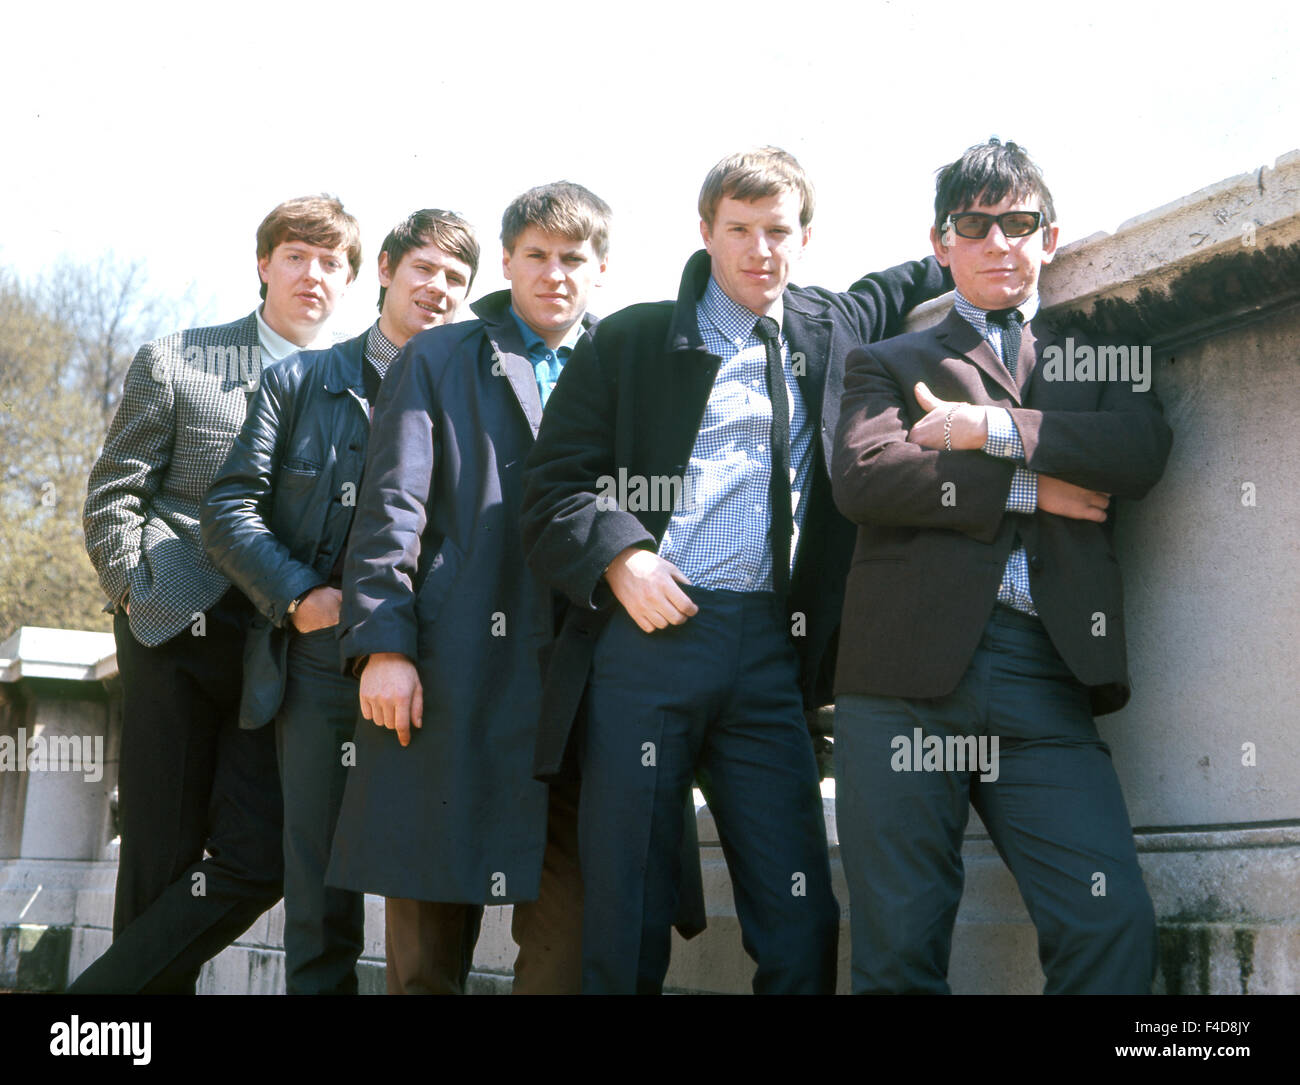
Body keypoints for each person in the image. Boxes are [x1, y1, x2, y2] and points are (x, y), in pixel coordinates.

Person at [520, 146, 950, 994]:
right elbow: (549, 491)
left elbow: (903, 282)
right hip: (649, 638)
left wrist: (976, 236)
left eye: (778, 231)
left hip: (768, 655)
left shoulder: (828, 327)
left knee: (801, 918)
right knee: (628, 915)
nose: (761, 249)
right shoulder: (633, 339)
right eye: (740, 230)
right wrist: (620, 557)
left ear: (805, 236)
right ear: (706, 233)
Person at [830, 138, 1173, 994]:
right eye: (975, 225)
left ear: (1049, 239)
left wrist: (984, 432)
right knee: (898, 953)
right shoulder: (887, 360)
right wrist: (1033, 491)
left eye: (1019, 223)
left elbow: (1137, 449)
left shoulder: (1093, 349)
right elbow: (867, 475)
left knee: (1110, 923)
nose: (998, 242)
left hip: (1043, 680)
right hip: (902, 686)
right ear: (942, 243)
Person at [325, 182, 611, 994]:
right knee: (425, 948)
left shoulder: (619, 362)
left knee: (570, 942)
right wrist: (382, 644)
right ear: (511, 262)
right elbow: (391, 510)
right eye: (536, 255)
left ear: (601, 271)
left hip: (583, 681)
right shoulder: (439, 356)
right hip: (451, 671)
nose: (554, 273)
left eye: (573, 259)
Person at [75, 194, 361, 993]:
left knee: (260, 851)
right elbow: (114, 491)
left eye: (331, 261)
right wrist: (134, 588)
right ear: (264, 264)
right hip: (175, 622)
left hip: (280, 646)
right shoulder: (179, 360)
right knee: (160, 854)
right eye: (297, 255)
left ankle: (94, 1003)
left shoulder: (352, 389)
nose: (313, 273)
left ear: (349, 280)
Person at [201, 210, 479, 994]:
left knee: (429, 874)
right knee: (318, 881)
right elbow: (228, 507)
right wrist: (296, 595)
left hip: (428, 659)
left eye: (456, 279)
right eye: (424, 269)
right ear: (385, 269)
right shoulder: (300, 379)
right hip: (321, 661)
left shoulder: (470, 392)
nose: (438, 289)